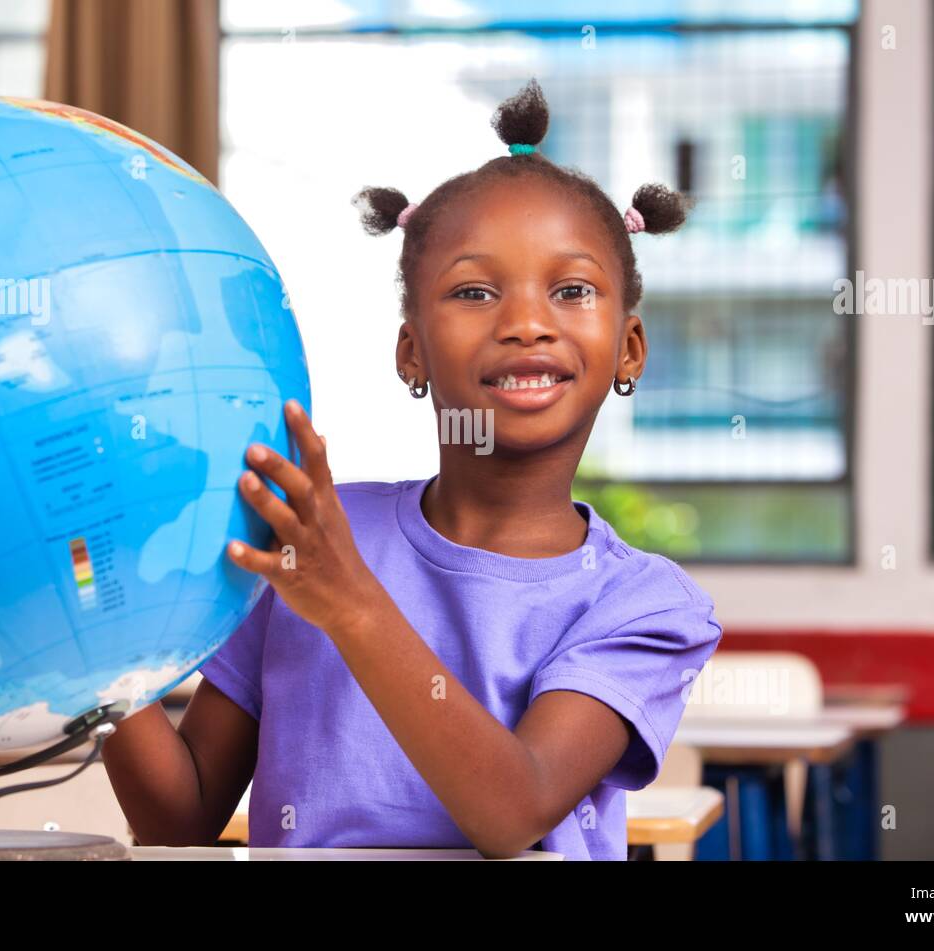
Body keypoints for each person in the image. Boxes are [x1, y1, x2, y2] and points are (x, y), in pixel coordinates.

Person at [102, 79, 722, 860]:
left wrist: (350, 601)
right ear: (412, 352)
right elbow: (178, 819)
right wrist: (93, 636)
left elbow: (514, 808)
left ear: (628, 348)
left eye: (571, 290)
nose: (526, 322)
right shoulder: (311, 536)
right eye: (473, 291)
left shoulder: (645, 604)